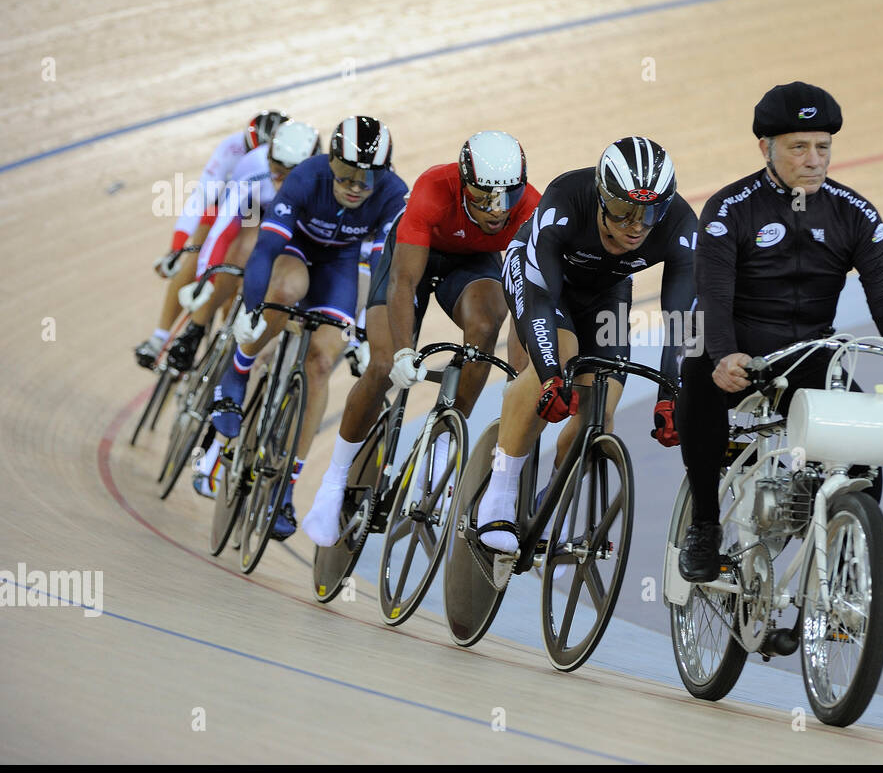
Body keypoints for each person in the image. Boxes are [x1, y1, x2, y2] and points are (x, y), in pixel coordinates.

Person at [676, 81, 883, 583]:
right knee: (698, 374)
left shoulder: (854, 213)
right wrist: (724, 355)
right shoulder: (731, 208)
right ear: (766, 149)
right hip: (736, 342)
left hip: (807, 352)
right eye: (799, 147)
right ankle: (705, 525)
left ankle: (840, 573)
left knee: (863, 454)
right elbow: (713, 293)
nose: (814, 160)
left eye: (823, 147)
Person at [302, 130, 540, 547]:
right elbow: (404, 281)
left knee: (485, 327)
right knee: (381, 366)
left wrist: (519, 375)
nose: (496, 210)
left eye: (507, 197)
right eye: (484, 198)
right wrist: (404, 352)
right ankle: (333, 481)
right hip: (411, 255)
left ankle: (445, 437)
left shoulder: (531, 209)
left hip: (470, 262)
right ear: (465, 183)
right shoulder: (434, 189)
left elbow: (526, 299)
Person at [475, 136, 697, 554]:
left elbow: (684, 322)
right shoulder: (564, 201)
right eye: (624, 210)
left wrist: (673, 395)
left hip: (605, 294)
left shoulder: (682, 226)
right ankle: (500, 493)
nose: (636, 224)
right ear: (601, 196)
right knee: (559, 358)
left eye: (650, 212)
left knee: (602, 410)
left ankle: (549, 505)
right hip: (540, 278)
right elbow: (542, 300)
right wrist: (547, 377)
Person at [208, 116, 408, 537]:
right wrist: (252, 309)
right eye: (346, 174)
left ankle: (285, 489)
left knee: (321, 362)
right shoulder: (305, 177)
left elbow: (382, 270)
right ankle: (236, 375)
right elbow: (266, 247)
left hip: (339, 266)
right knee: (287, 289)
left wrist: (367, 335)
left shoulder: (393, 196)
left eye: (367, 177)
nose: (355, 186)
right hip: (294, 251)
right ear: (330, 161)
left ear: (384, 175)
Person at [168, 119, 322, 372]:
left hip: (294, 228)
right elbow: (223, 228)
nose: (280, 180)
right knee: (243, 246)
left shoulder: (322, 182)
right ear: (268, 157)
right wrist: (205, 279)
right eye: (276, 169)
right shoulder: (254, 165)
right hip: (254, 214)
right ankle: (196, 328)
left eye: (289, 174)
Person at [134, 110, 286, 367]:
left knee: (247, 263)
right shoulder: (231, 148)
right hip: (230, 201)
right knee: (198, 253)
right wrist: (176, 248)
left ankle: (224, 343)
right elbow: (201, 197)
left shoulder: (294, 162)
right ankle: (159, 337)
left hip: (266, 211)